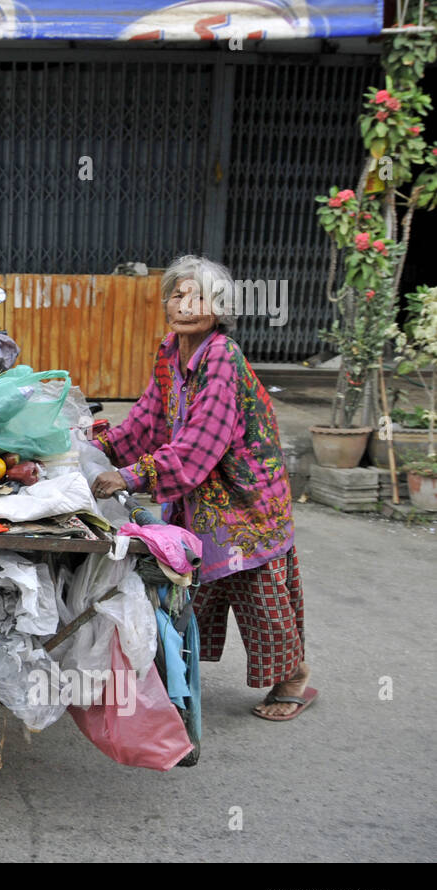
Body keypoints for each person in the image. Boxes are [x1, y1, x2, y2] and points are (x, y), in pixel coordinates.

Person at [89, 255, 317, 722]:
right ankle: (176, 677)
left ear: (218, 308)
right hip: (203, 500)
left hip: (247, 500)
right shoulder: (171, 351)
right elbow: (149, 418)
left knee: (259, 597)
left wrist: (131, 476)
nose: (184, 303)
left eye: (197, 295)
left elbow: (198, 447)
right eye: (176, 293)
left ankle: (294, 677)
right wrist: (100, 446)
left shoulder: (222, 358)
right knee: (190, 586)